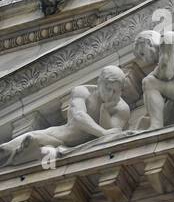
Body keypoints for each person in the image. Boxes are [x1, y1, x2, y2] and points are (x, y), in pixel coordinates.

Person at [0, 66, 130, 166]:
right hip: (55, 136)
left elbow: (112, 136)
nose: (111, 94)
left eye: (116, 91)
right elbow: (79, 116)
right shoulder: (82, 91)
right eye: (108, 88)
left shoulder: (122, 109)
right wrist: (103, 133)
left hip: (65, 146)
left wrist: (104, 110)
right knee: (6, 150)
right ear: (99, 82)